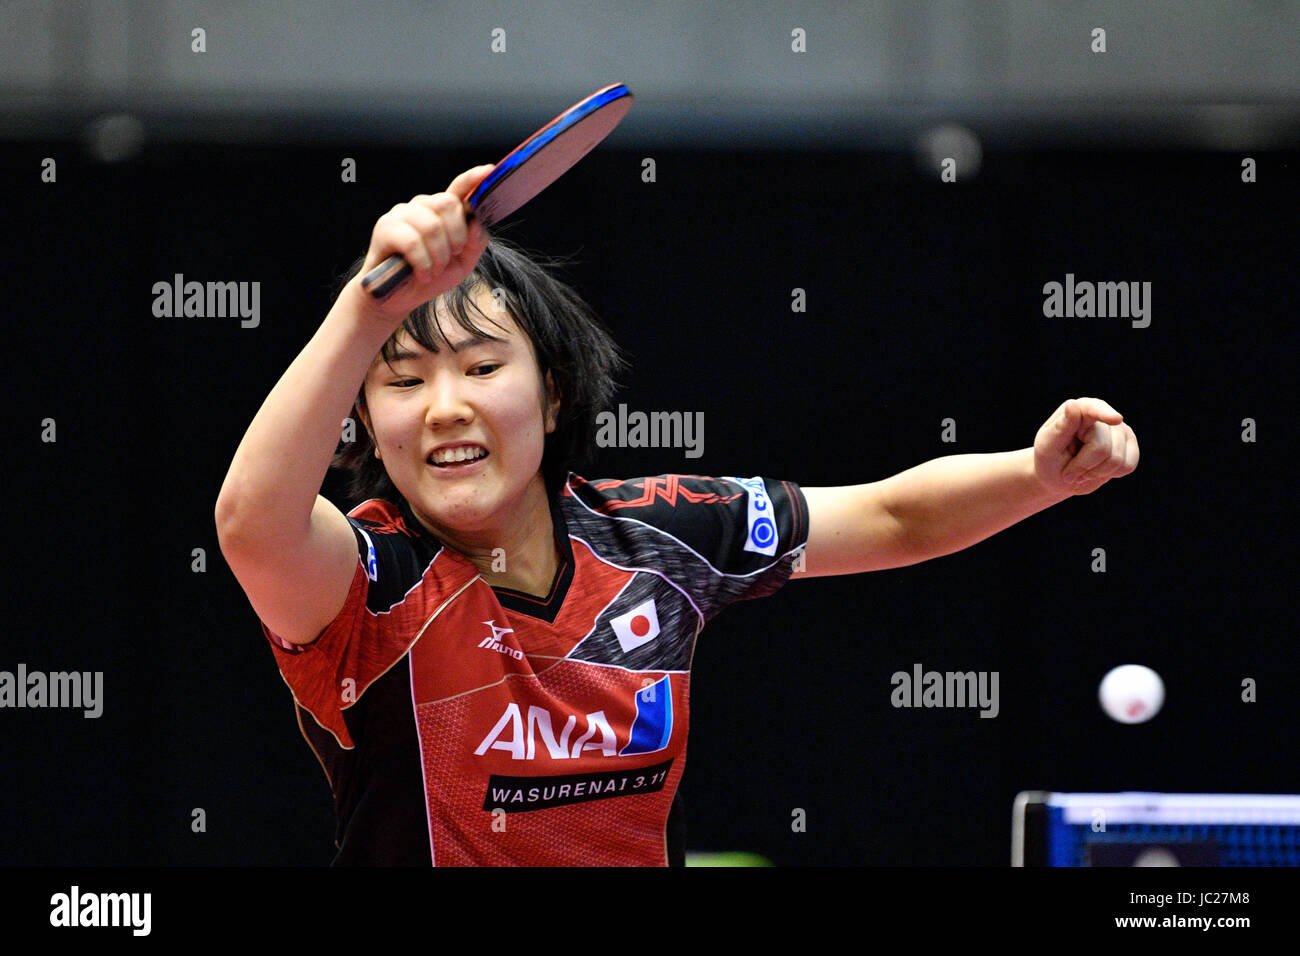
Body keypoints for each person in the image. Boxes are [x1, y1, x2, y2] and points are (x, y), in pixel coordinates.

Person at [215, 165, 1140, 866]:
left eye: (485, 368)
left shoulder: (663, 537)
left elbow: (894, 519)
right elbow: (251, 523)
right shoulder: (367, 581)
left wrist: (1039, 473)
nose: (446, 406)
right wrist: (363, 310)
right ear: (367, 422)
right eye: (403, 381)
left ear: (555, 395)